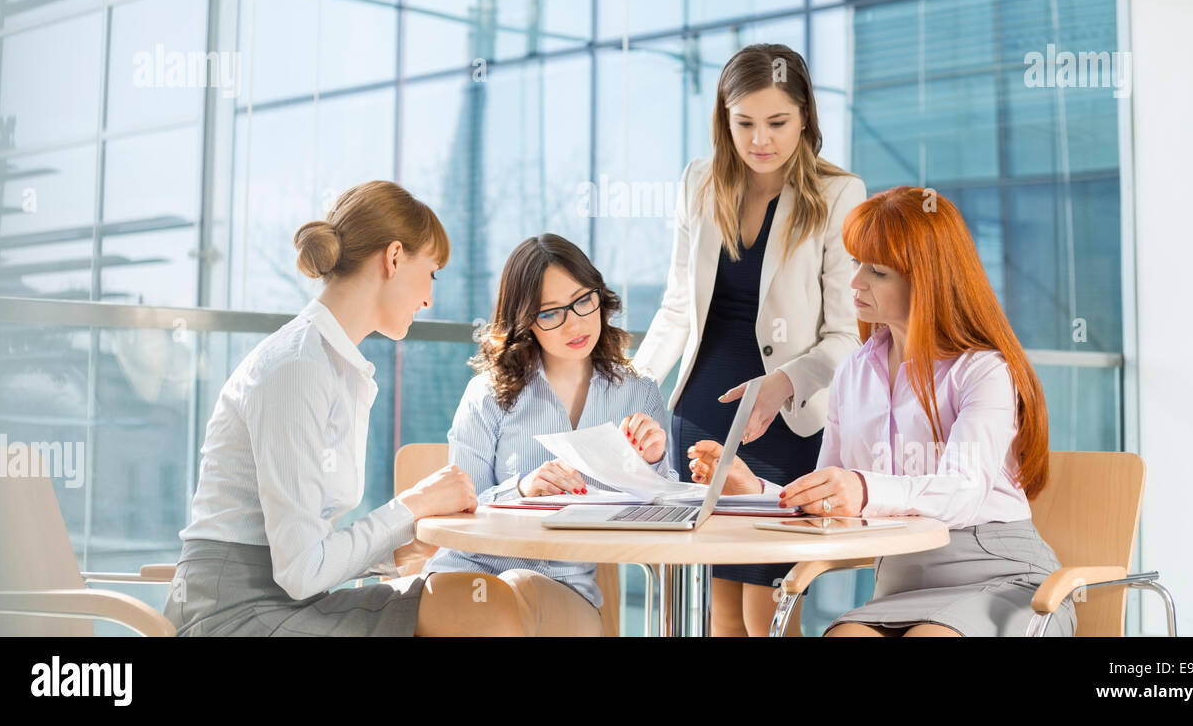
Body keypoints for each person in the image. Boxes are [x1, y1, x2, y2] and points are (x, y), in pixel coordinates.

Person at [689, 185, 1078, 637]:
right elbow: (833, 499)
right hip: (900, 586)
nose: (855, 282)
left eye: (877, 271)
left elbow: (964, 491)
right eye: (856, 263)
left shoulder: (982, 371)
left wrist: (860, 487)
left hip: (1001, 577)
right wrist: (752, 489)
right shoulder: (854, 370)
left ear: (926, 278)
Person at [164, 180, 530, 636]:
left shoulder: (335, 367)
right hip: (235, 616)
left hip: (295, 603)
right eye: (431, 273)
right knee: (486, 616)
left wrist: (399, 544)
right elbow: (300, 570)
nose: (429, 298)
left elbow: (307, 558)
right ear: (394, 257)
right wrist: (410, 507)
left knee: (486, 603)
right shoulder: (297, 367)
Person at [632, 43, 867, 636]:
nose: (761, 140)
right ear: (724, 118)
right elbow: (678, 307)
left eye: (778, 123)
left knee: (772, 607)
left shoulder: (839, 194)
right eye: (745, 123)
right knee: (717, 611)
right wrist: (630, 391)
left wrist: (782, 382)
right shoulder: (699, 182)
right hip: (703, 409)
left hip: (786, 420)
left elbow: (845, 337)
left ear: (806, 117)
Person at [422, 233, 675, 635]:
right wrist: (521, 489)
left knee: (517, 593)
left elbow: (667, 513)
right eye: (551, 312)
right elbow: (457, 509)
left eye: (582, 301)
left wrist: (652, 463)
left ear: (600, 297)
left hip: (564, 588)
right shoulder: (488, 394)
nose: (574, 322)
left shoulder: (637, 392)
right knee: (495, 603)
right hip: (472, 572)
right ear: (525, 321)